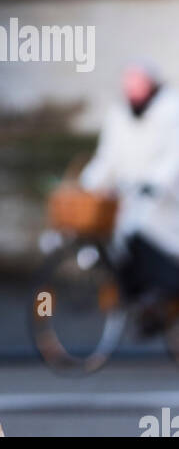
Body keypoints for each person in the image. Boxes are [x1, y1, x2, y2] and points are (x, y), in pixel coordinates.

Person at [80, 63, 179, 314]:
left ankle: (163, 294)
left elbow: (173, 157)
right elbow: (108, 158)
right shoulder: (119, 115)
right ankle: (142, 298)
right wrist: (87, 184)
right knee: (122, 239)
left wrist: (155, 183)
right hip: (129, 199)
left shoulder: (172, 111)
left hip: (164, 200)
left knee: (147, 238)